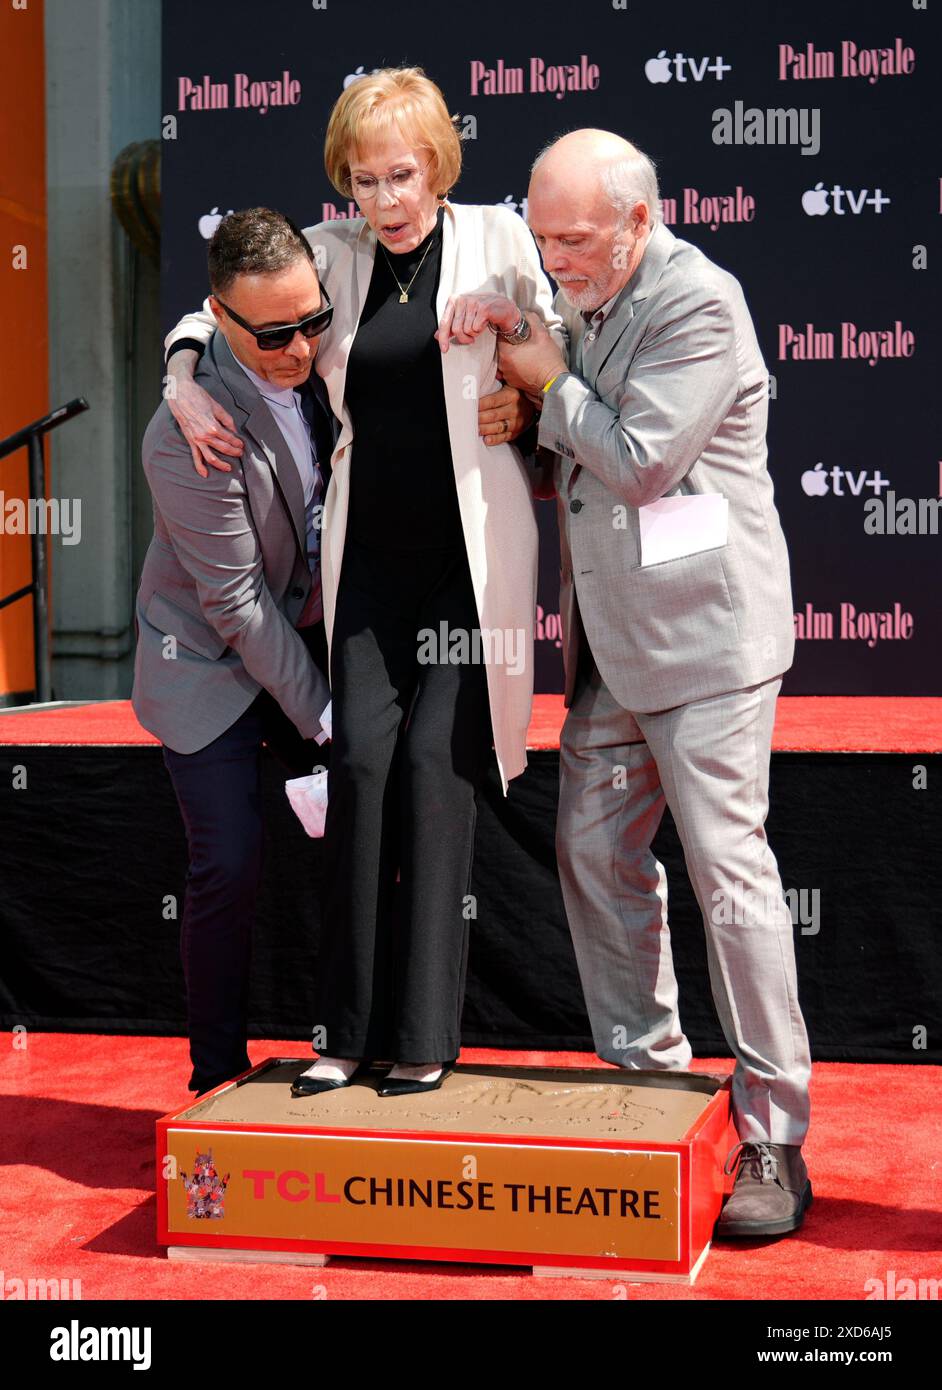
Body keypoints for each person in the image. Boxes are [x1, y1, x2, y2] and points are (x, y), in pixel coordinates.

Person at [162, 68, 564, 1098]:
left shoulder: (497, 240)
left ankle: (423, 1035)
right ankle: (344, 1032)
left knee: (437, 770)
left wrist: (517, 381)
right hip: (371, 570)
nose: (384, 197)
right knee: (362, 772)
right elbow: (223, 312)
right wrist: (176, 374)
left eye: (400, 173)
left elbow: (554, 356)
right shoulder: (330, 253)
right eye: (362, 177)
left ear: (437, 164)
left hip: (470, 568)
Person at [479, 128, 812, 1238]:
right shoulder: (581, 284)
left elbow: (642, 460)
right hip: (616, 641)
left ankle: (774, 1131)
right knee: (590, 851)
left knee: (728, 875)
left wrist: (541, 381)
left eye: (574, 237)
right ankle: (651, 1078)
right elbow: (571, 448)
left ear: (638, 221)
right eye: (541, 233)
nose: (553, 255)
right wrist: (523, 423)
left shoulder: (700, 301)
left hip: (708, 641)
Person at [133, 208, 337, 1096]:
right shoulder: (187, 433)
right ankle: (214, 1075)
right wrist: (324, 714)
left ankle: (355, 1042)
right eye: (275, 334)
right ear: (222, 317)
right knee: (229, 861)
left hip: (294, 636)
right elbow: (237, 603)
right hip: (207, 663)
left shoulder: (322, 355)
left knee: (358, 837)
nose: (300, 348)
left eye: (313, 321)